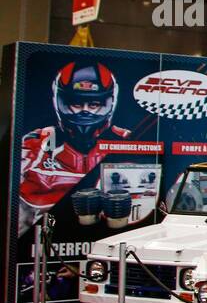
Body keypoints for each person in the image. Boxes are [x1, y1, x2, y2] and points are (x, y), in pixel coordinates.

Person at [19, 62, 132, 233]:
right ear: (61, 102)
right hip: (45, 238)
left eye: (94, 105)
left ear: (109, 103)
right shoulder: (37, 144)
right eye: (77, 105)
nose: (85, 112)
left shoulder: (127, 141)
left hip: (110, 233)